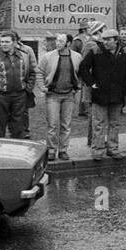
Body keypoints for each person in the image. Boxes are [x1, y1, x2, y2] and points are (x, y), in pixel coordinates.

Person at [80, 29, 126, 160]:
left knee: (114, 123)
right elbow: (83, 68)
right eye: (104, 40)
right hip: (100, 94)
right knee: (98, 123)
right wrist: (91, 83)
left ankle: (113, 149)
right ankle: (97, 151)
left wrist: (125, 84)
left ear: (116, 40)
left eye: (109, 40)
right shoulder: (96, 51)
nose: (106, 42)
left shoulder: (125, 53)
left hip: (117, 94)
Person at [0, 32, 35, 139]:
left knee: (19, 127)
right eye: (2, 42)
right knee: (0, 127)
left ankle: (16, 151)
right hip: (1, 96)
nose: (4, 44)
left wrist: (28, 88)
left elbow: (31, 73)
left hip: (20, 96)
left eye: (7, 42)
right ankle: (0, 150)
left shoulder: (24, 56)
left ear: (14, 43)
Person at [38, 32, 84, 160]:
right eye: (57, 40)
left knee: (66, 125)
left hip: (69, 95)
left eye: (60, 41)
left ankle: (63, 150)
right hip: (52, 95)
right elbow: (39, 72)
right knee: (52, 124)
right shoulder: (48, 56)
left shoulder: (77, 57)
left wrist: (78, 86)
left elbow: (81, 73)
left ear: (68, 43)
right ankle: (51, 150)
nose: (57, 43)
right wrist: (42, 87)